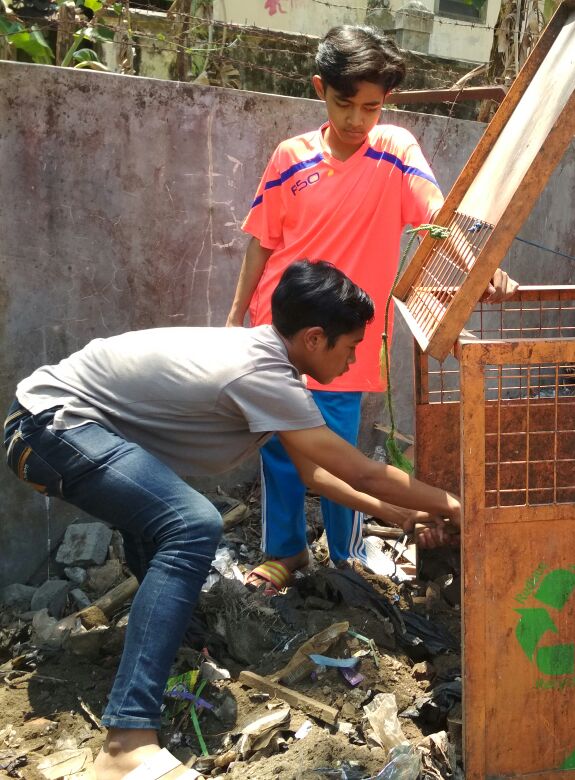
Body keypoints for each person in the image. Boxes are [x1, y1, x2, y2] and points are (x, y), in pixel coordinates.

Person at [5, 260, 461, 780]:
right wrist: (460, 507)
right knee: (192, 524)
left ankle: (171, 646)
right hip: (50, 426)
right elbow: (362, 471)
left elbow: (315, 473)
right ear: (315, 338)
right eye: (351, 346)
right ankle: (126, 742)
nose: (355, 358)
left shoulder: (270, 362)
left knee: (169, 518)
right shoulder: (261, 373)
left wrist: (401, 515)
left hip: (65, 426)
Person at [225, 25, 517, 589]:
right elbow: (262, 239)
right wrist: (237, 314)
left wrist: (474, 267)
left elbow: (436, 215)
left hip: (343, 345)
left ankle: (347, 556)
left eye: (371, 107)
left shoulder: (395, 149)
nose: (358, 119)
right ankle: (285, 554)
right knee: (281, 453)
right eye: (344, 104)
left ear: (386, 104)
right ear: (319, 89)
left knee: (340, 451)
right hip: (279, 331)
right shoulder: (291, 157)